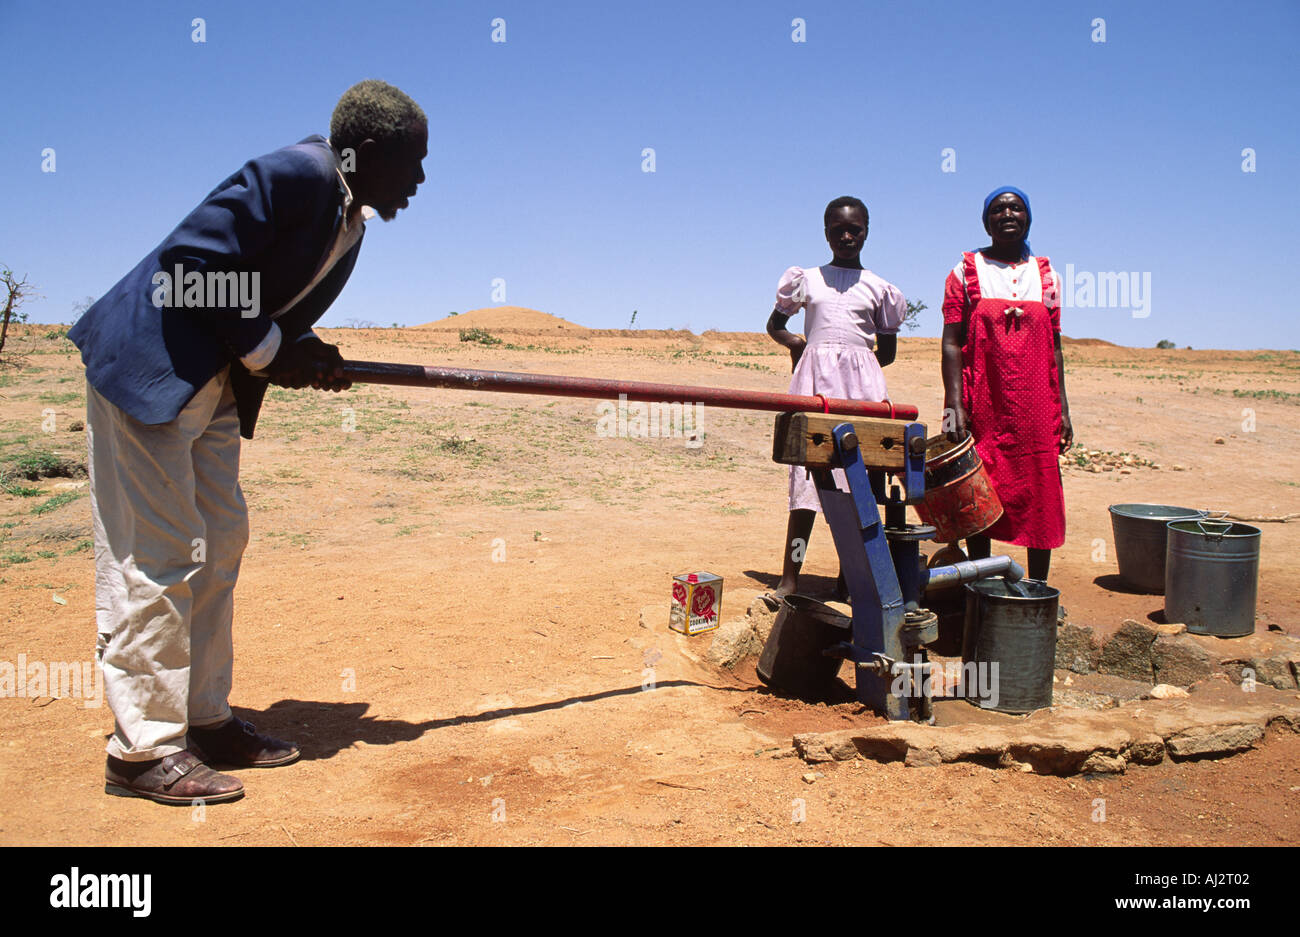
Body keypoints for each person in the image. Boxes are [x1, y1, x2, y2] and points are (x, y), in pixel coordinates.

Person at [67, 80, 428, 805]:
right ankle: (144, 748)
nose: (420, 180)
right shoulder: (298, 174)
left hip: (214, 387)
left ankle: (204, 715)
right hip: (153, 375)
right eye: (413, 162)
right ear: (371, 152)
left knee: (219, 541)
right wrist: (270, 346)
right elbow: (189, 268)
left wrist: (302, 347)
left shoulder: (348, 218)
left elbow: (267, 297)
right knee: (158, 554)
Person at [764, 196, 906, 607]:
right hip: (814, 384)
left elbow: (888, 352)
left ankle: (849, 580)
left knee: (859, 484)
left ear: (866, 231)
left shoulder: (880, 289)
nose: (846, 236)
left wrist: (858, 371)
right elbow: (776, 325)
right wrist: (799, 345)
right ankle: (791, 578)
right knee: (807, 485)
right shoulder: (806, 279)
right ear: (825, 232)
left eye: (855, 229)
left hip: (861, 393)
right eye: (837, 229)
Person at [940, 186, 1072, 582]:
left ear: (1029, 217)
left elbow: (1056, 347)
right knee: (982, 484)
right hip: (983, 398)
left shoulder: (1046, 276)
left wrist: (1062, 409)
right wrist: (955, 404)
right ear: (986, 220)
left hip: (1036, 404)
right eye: (998, 209)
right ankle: (981, 582)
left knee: (1039, 485)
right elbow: (950, 343)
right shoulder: (965, 271)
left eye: (1016, 208)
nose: (1008, 214)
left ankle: (1037, 587)